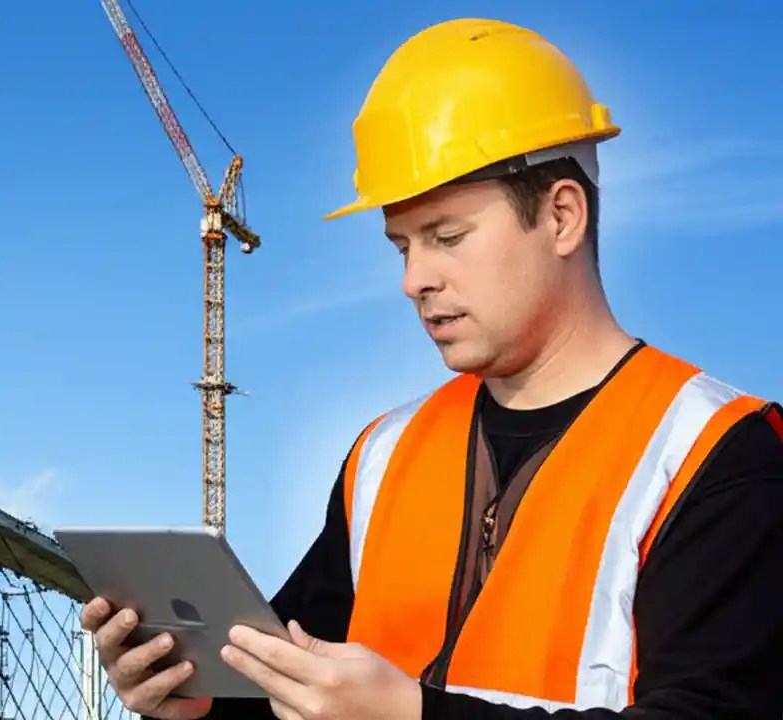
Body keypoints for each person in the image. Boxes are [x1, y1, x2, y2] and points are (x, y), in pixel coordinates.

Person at [79, 15, 783, 720]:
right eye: (401, 247)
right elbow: (292, 688)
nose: (414, 279)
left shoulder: (714, 452)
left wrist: (412, 715)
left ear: (562, 216)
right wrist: (200, 705)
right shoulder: (382, 457)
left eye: (448, 237)